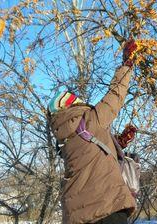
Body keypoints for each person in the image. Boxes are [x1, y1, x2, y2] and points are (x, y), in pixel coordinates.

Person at [47, 40, 138, 224]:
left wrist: (118, 142)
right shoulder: (87, 121)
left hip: (77, 215)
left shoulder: (66, 138)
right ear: (73, 106)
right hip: (106, 208)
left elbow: (90, 154)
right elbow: (115, 96)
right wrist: (127, 64)